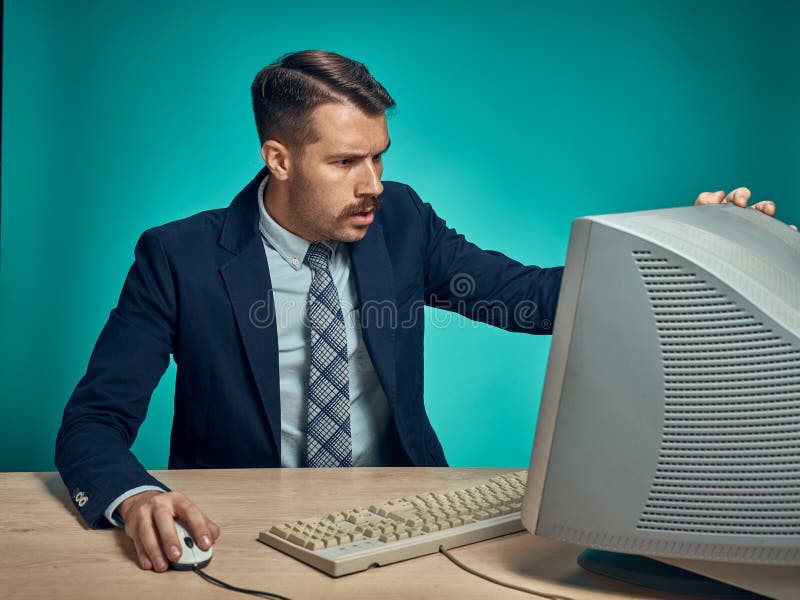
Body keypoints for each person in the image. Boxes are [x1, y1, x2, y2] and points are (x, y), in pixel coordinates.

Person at [54, 49, 788, 573]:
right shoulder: (177, 257)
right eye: (346, 162)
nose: (373, 183)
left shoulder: (401, 220)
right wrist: (134, 495)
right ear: (279, 159)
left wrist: (685, 254)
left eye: (380, 156)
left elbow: (527, 297)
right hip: (243, 529)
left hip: (403, 524)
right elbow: (93, 420)